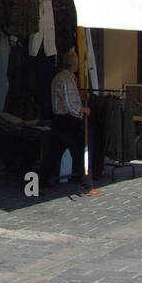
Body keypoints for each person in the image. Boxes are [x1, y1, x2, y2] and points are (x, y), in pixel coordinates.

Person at [48, 48, 91, 190]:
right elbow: (70, 105)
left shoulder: (58, 78)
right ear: (74, 64)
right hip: (68, 120)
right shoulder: (67, 79)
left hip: (59, 119)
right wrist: (83, 110)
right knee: (78, 150)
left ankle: (48, 178)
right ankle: (82, 179)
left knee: (56, 151)